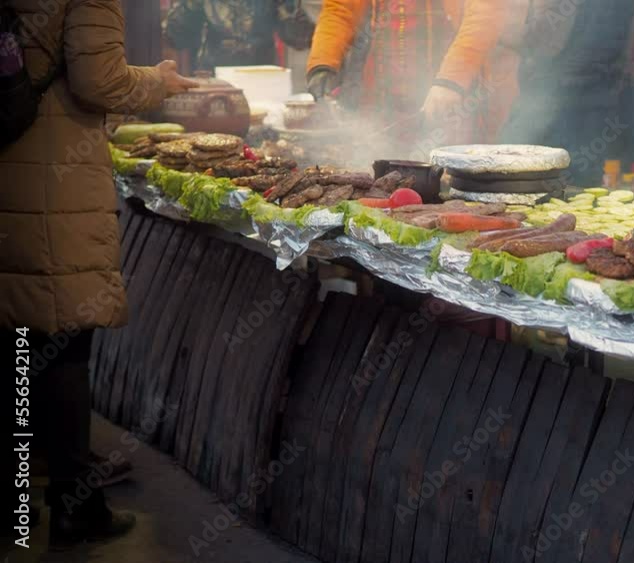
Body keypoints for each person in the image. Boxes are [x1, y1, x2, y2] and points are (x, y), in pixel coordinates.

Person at [0, 0, 196, 549]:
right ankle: (74, 507)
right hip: (52, 180)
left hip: (10, 166)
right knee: (61, 344)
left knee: (15, 339)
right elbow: (98, 81)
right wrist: (157, 81)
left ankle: (16, 504)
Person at [306, 0, 506, 149]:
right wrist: (322, 62)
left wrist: (450, 81)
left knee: (452, 186)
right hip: (378, 94)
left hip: (452, 96)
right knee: (378, 175)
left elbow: (485, 14)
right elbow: (341, 9)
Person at [499, 0, 634, 186]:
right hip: (597, 100)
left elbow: (544, 39)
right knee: (580, 186)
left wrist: (509, 36)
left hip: (552, 100)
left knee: (520, 179)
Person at [165, 0, 314, 70]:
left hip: (263, 78)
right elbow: (176, 38)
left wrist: (288, 8)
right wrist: (190, 6)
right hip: (214, 79)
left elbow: (300, 38)